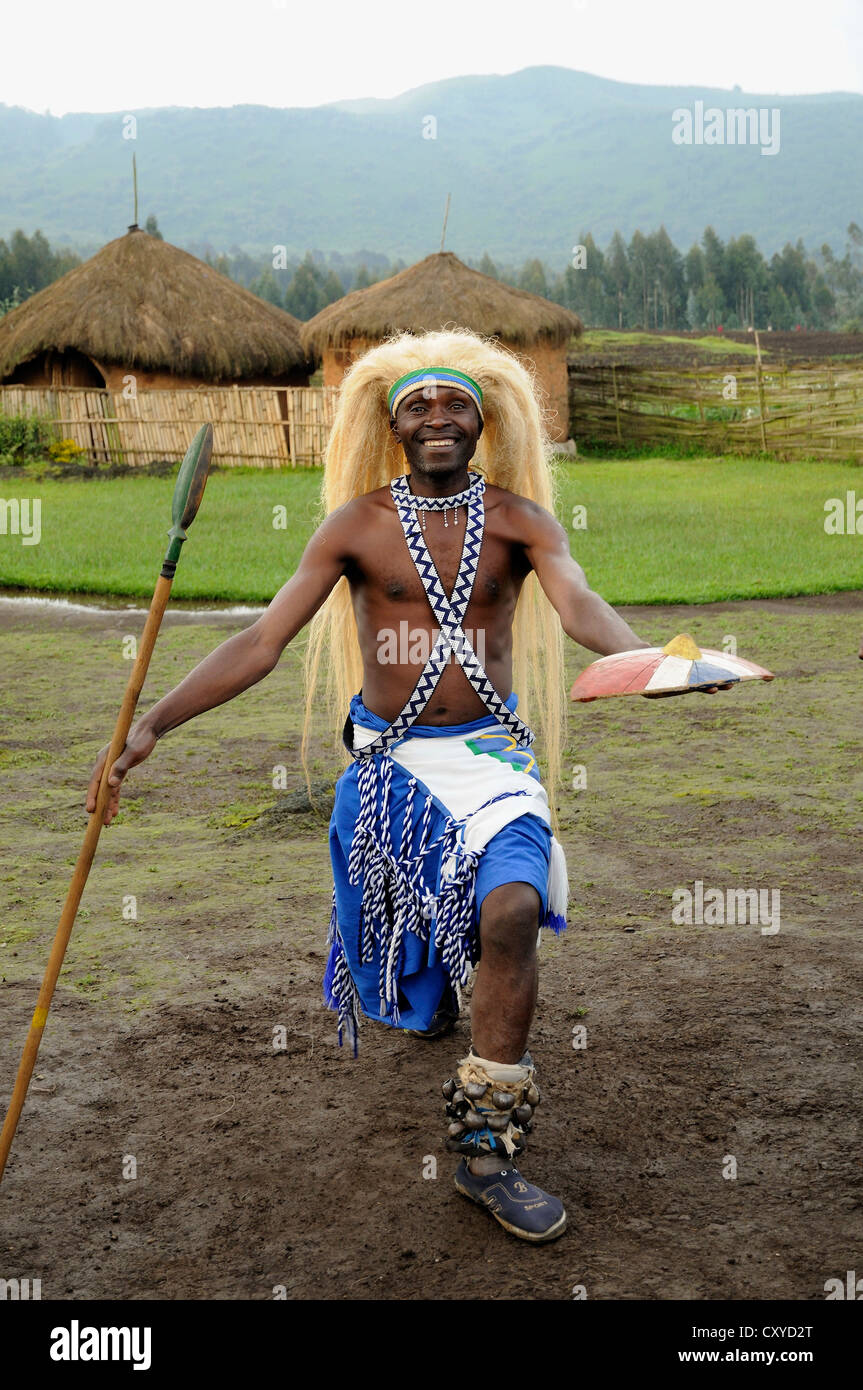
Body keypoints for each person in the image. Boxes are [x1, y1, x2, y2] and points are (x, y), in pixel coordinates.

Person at [87, 329, 722, 1244]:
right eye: (418, 405)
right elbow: (261, 643)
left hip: (495, 762)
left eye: (455, 403)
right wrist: (151, 724)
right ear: (392, 424)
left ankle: (486, 1152)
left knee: (509, 910)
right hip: (392, 770)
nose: (437, 418)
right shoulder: (353, 526)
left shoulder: (519, 520)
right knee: (416, 958)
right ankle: (433, 997)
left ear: (483, 418)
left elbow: (577, 602)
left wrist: (645, 661)